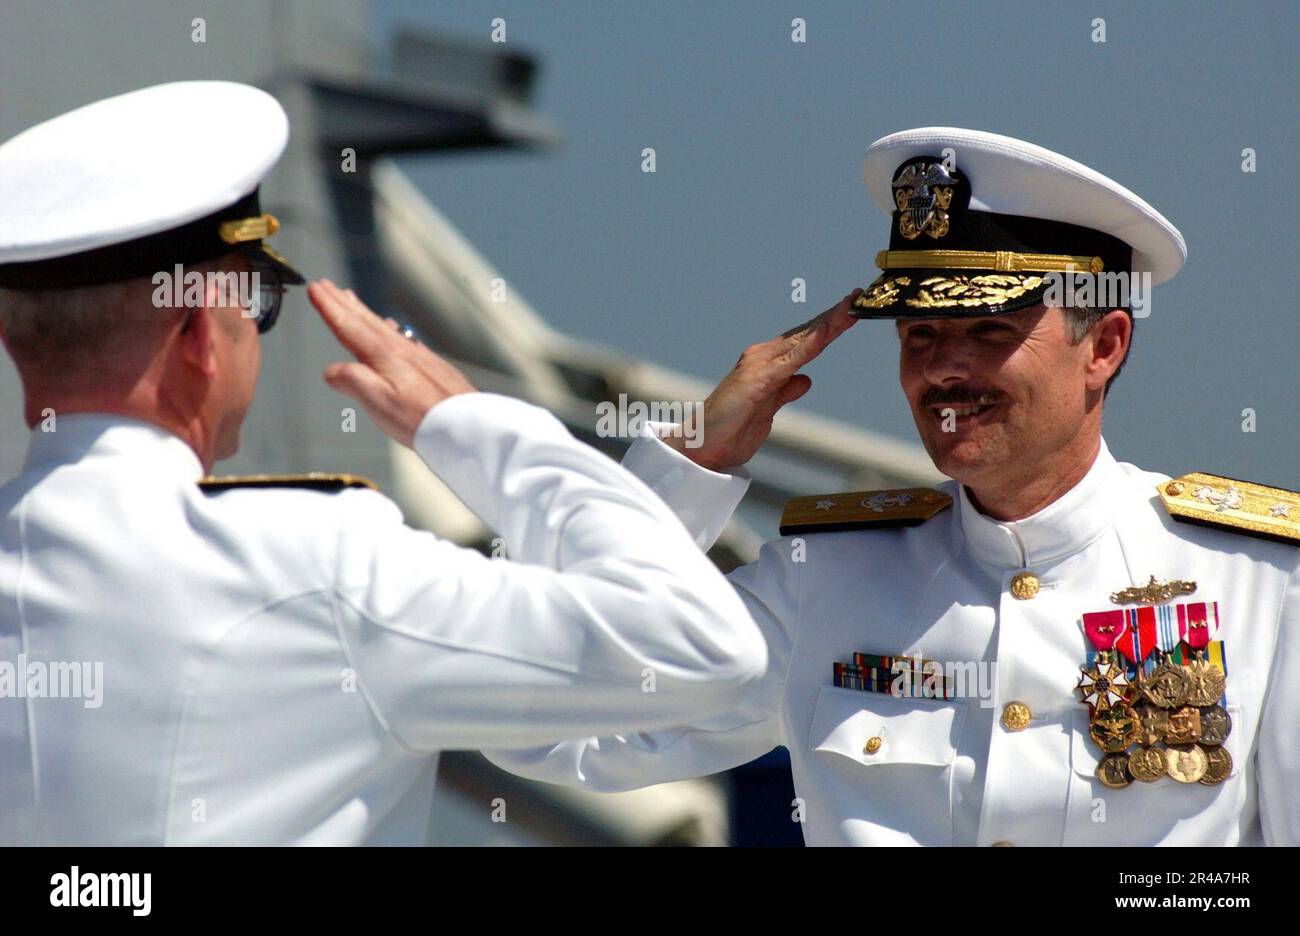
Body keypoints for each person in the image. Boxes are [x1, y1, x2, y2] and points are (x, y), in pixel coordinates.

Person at [0, 81, 765, 845]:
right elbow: (697, 643)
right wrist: (474, 426)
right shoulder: (323, 568)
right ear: (200, 334)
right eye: (257, 302)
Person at [487, 127, 1299, 846]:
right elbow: (542, 719)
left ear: (1105, 346)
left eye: (987, 329)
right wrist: (687, 470)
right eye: (920, 333)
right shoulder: (823, 586)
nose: (945, 368)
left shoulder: (1263, 583)